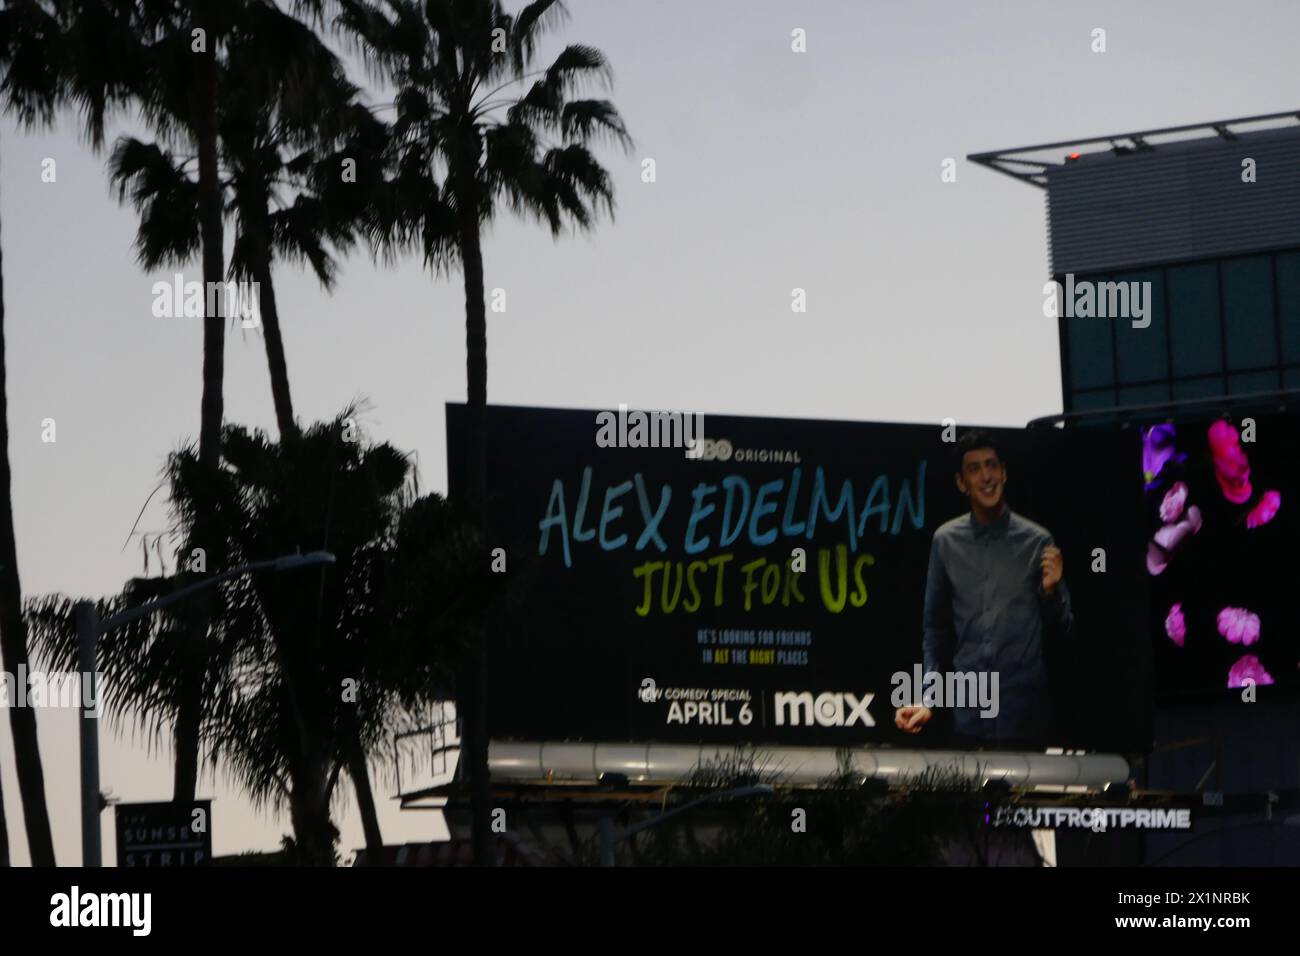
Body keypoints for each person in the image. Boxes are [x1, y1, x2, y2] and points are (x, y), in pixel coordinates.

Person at [894, 430, 1072, 747]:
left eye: (991, 465)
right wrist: (927, 699)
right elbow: (935, 631)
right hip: (969, 721)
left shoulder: (1038, 541)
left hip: (1025, 721)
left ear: (1004, 472)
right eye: (974, 468)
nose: (986, 476)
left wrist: (1050, 592)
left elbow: (1065, 631)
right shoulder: (945, 541)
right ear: (962, 483)